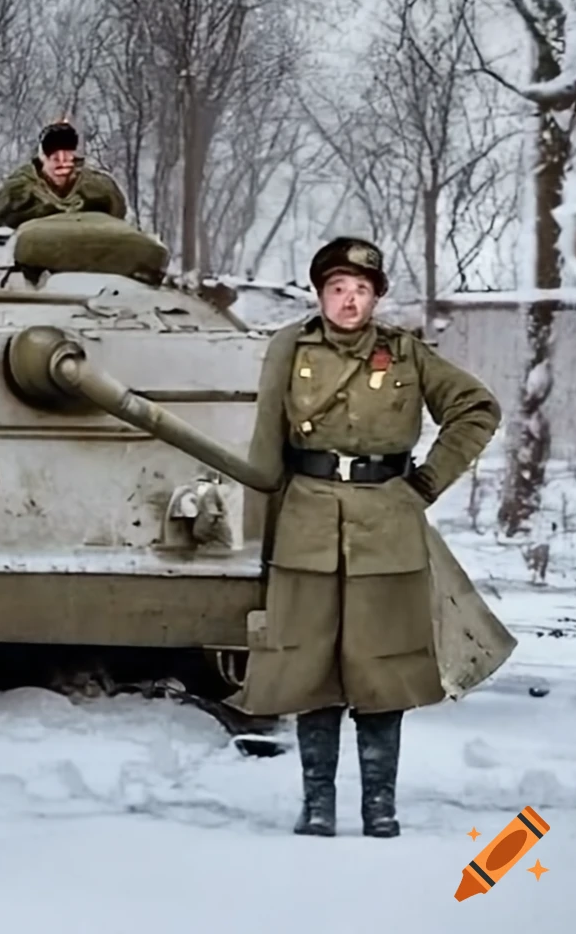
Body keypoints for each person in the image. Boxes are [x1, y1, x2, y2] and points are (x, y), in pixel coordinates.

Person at [237, 237, 501, 838]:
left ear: (376, 297)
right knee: (311, 668)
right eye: (337, 288)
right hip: (306, 522)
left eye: (361, 290)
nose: (349, 300)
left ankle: (379, 806)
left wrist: (428, 482)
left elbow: (477, 408)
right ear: (321, 293)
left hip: (387, 524)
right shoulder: (289, 347)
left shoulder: (406, 354)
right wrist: (263, 535)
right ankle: (318, 805)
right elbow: (265, 450)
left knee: (381, 669)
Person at [0, 119, 128, 254]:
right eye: (55, 159)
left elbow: (118, 224)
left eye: (67, 158)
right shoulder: (17, 190)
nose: (62, 165)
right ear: (43, 159)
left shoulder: (99, 188)